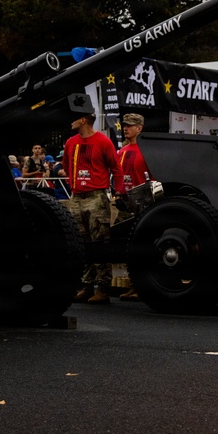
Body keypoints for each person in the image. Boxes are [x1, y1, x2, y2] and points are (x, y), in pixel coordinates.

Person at [62, 112, 124, 305]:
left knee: (100, 241)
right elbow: (64, 165)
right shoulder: (71, 142)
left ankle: (103, 288)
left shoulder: (103, 142)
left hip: (96, 196)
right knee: (81, 242)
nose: (70, 121)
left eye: (74, 118)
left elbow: (116, 168)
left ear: (83, 120)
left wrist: (119, 192)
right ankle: (86, 286)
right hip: (77, 197)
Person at [116, 113, 152, 301]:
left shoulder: (147, 150)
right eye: (125, 125)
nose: (126, 128)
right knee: (125, 246)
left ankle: (142, 285)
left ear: (140, 128)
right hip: (125, 203)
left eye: (130, 125)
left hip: (143, 203)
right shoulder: (121, 152)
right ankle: (132, 284)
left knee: (142, 246)